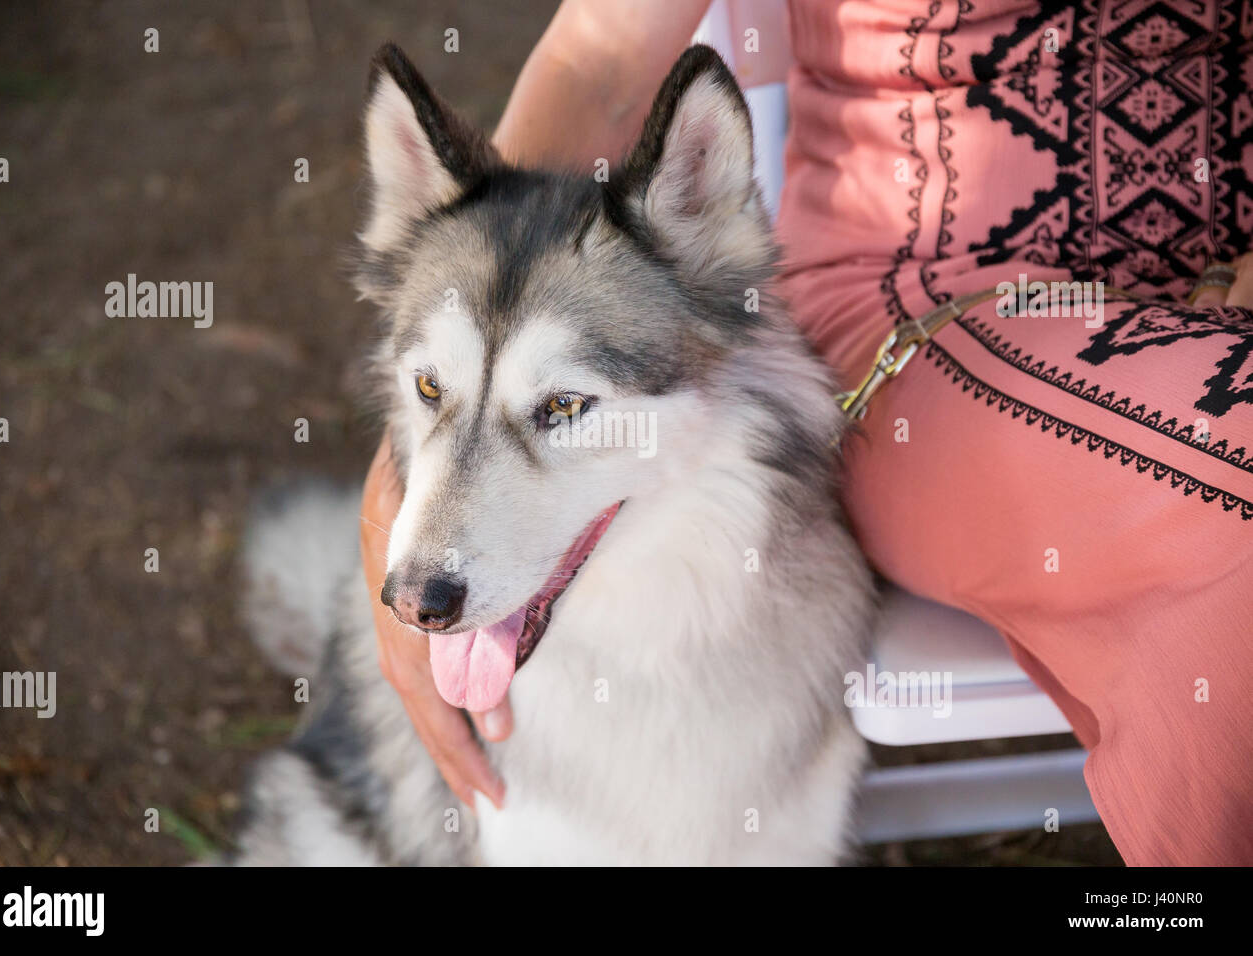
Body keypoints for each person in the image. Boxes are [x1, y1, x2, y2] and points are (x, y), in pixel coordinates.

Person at [359, 0, 1253, 864]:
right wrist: (400, 481)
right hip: (937, 292)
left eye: (557, 409)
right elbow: (602, 54)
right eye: (429, 389)